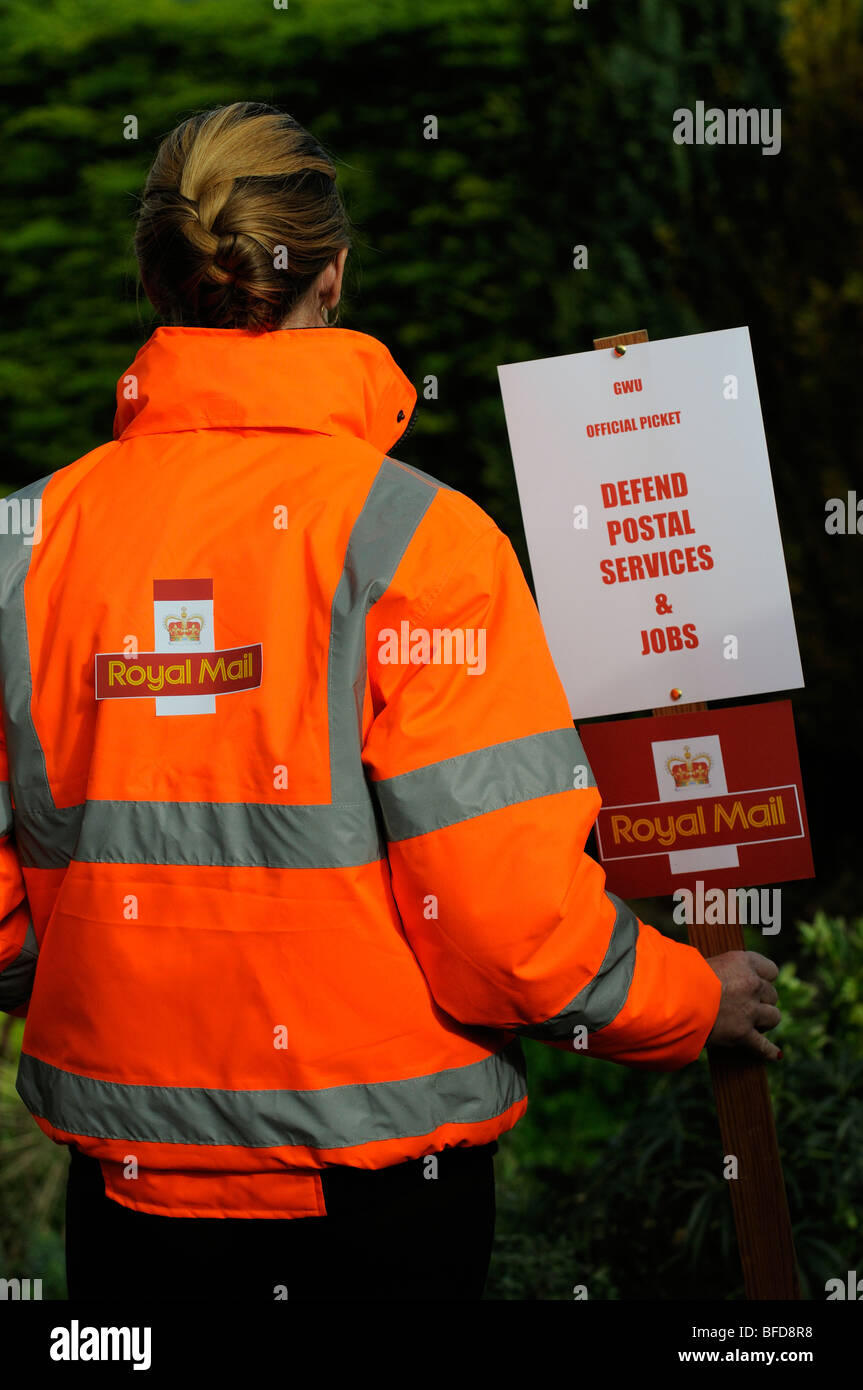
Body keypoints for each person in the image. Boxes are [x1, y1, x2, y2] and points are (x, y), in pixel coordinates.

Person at [0, 100, 781, 1303]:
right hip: (379, 1208)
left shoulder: (27, 543)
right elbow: (503, 925)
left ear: (153, 276)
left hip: (129, 1197)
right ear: (335, 268)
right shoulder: (422, 543)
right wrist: (685, 999)